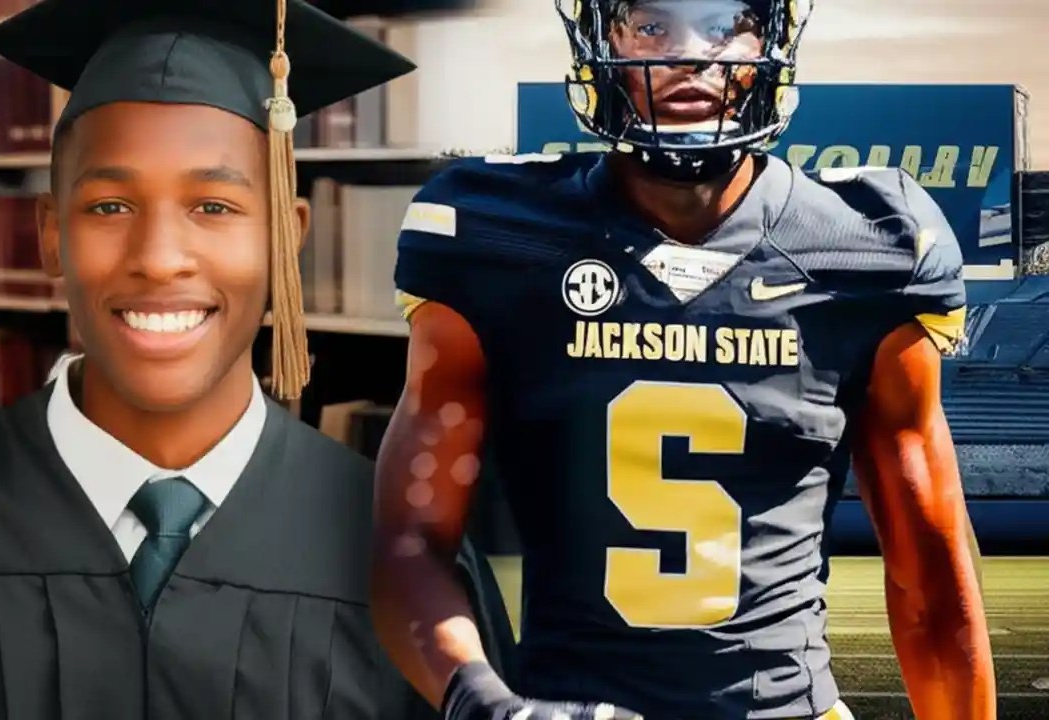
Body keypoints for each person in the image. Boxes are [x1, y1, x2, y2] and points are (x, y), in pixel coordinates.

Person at [0, 0, 515, 717]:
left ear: (287, 235)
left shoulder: (406, 566)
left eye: (213, 207)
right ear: (51, 234)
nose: (159, 258)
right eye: (109, 207)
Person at [370, 1, 996, 719]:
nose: (691, 54)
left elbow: (930, 584)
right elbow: (411, 542)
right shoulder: (492, 235)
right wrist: (485, 704)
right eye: (651, 25)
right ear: (600, 40)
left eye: (727, 23)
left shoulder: (869, 245)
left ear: (772, 40)